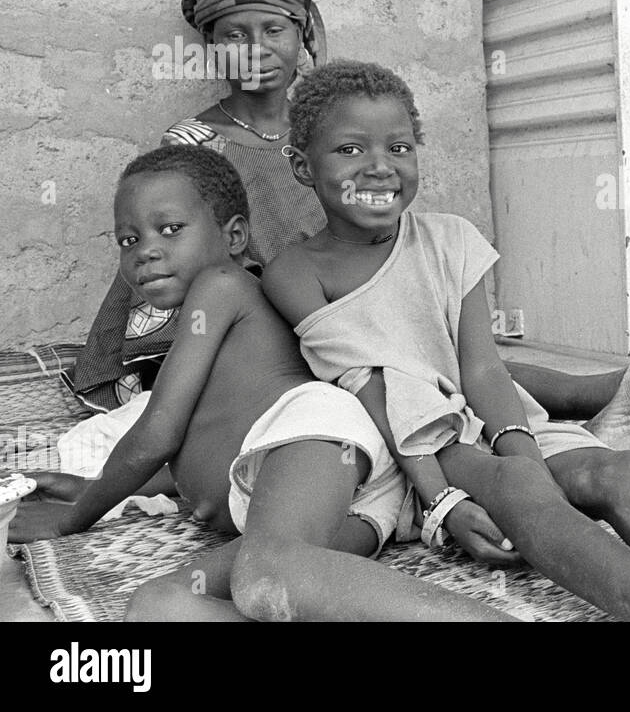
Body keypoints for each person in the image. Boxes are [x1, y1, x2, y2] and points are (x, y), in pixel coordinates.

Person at [261, 60, 630, 620]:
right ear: (302, 165)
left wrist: (521, 445)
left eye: (399, 148)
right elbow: (372, 386)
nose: (378, 168)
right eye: (349, 150)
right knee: (521, 485)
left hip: (491, 416)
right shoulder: (295, 273)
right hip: (415, 445)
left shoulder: (451, 240)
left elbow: (485, 369)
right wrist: (445, 499)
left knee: (616, 472)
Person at [11, 145, 506, 620]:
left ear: (234, 237)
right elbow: (201, 444)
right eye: (129, 240)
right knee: (161, 605)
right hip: (343, 503)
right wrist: (97, 488)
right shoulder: (201, 324)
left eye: (170, 229)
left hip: (315, 440)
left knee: (267, 571)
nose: (146, 252)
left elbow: (156, 435)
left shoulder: (220, 286)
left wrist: (73, 520)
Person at [71, 0, 328, 413]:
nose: (256, 50)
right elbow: (178, 255)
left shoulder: (329, 132)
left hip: (330, 312)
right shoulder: (194, 141)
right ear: (210, 46)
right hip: (244, 324)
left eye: (273, 30)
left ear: (300, 37)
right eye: (234, 35)